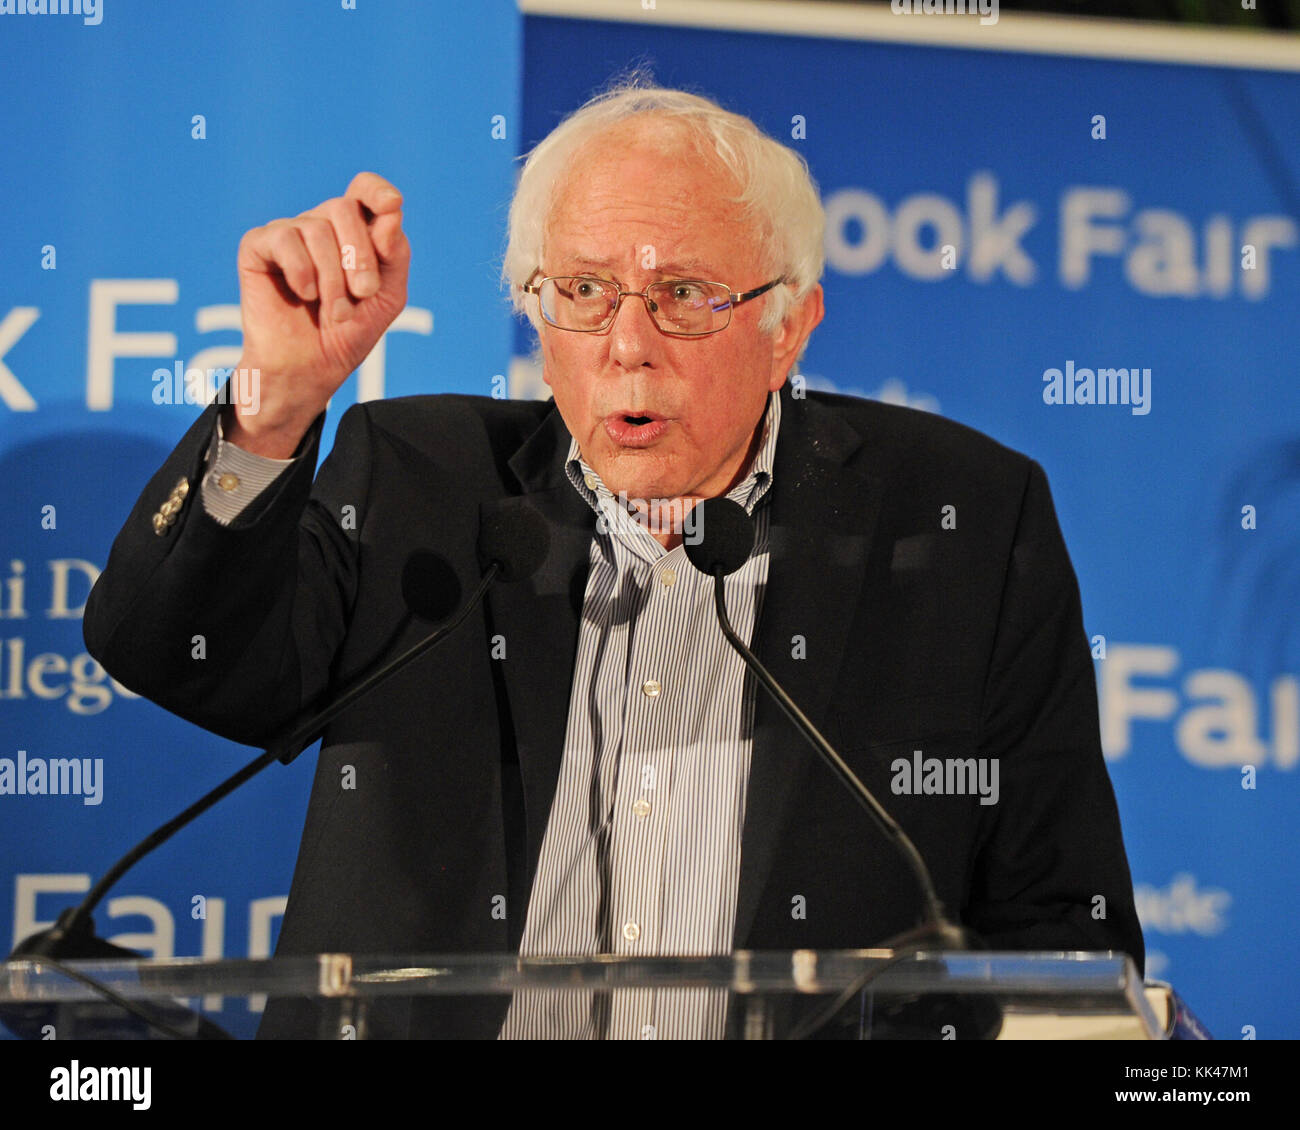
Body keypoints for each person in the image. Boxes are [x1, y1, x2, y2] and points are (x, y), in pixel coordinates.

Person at [83, 82, 1144, 1039]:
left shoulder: (958, 519)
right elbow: (172, 649)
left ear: (788, 327)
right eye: (583, 291)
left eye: (684, 294)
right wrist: (277, 401)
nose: (626, 343)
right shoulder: (422, 483)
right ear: (537, 318)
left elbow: (1062, 929)